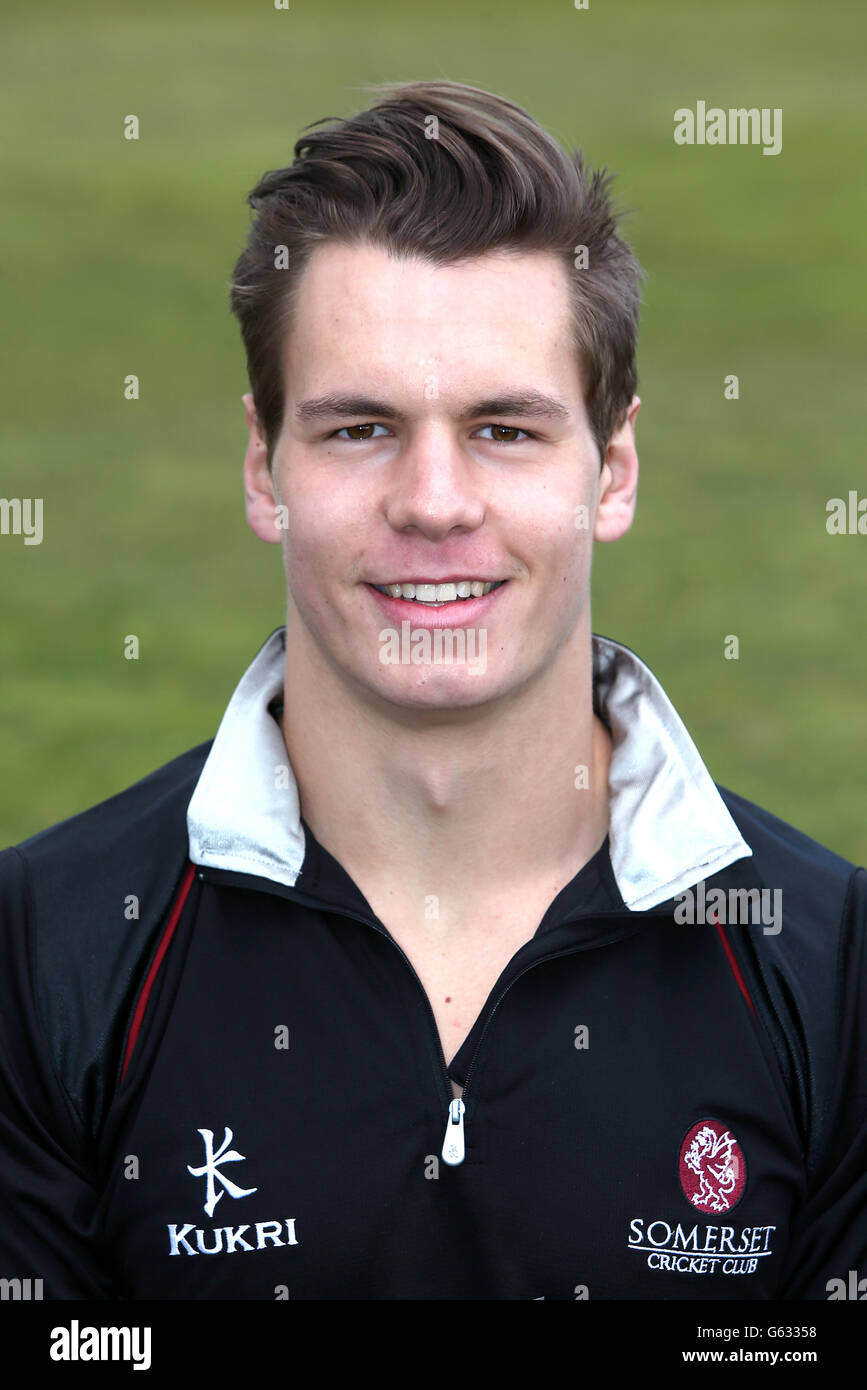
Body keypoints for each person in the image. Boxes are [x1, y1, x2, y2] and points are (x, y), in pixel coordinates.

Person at [0, 79, 864, 1302]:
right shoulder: (44, 955)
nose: (436, 502)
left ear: (611, 472)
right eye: (360, 429)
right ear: (263, 467)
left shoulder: (831, 975)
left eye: (506, 429)